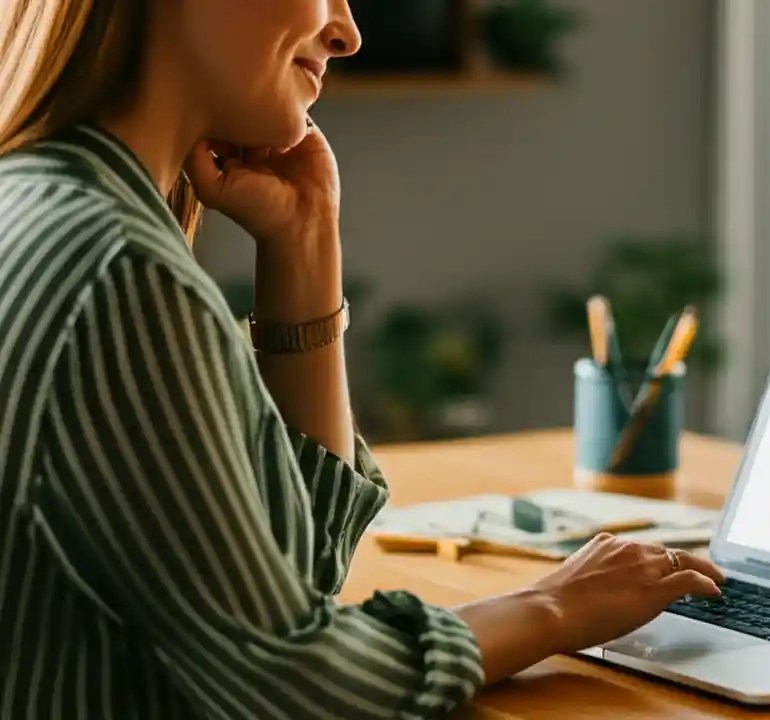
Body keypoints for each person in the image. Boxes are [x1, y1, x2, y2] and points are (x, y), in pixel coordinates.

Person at [0, 3, 723, 718]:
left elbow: (291, 588)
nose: (346, 33)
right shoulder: (115, 269)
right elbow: (295, 684)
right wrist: (554, 607)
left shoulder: (49, 208)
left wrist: (304, 249)